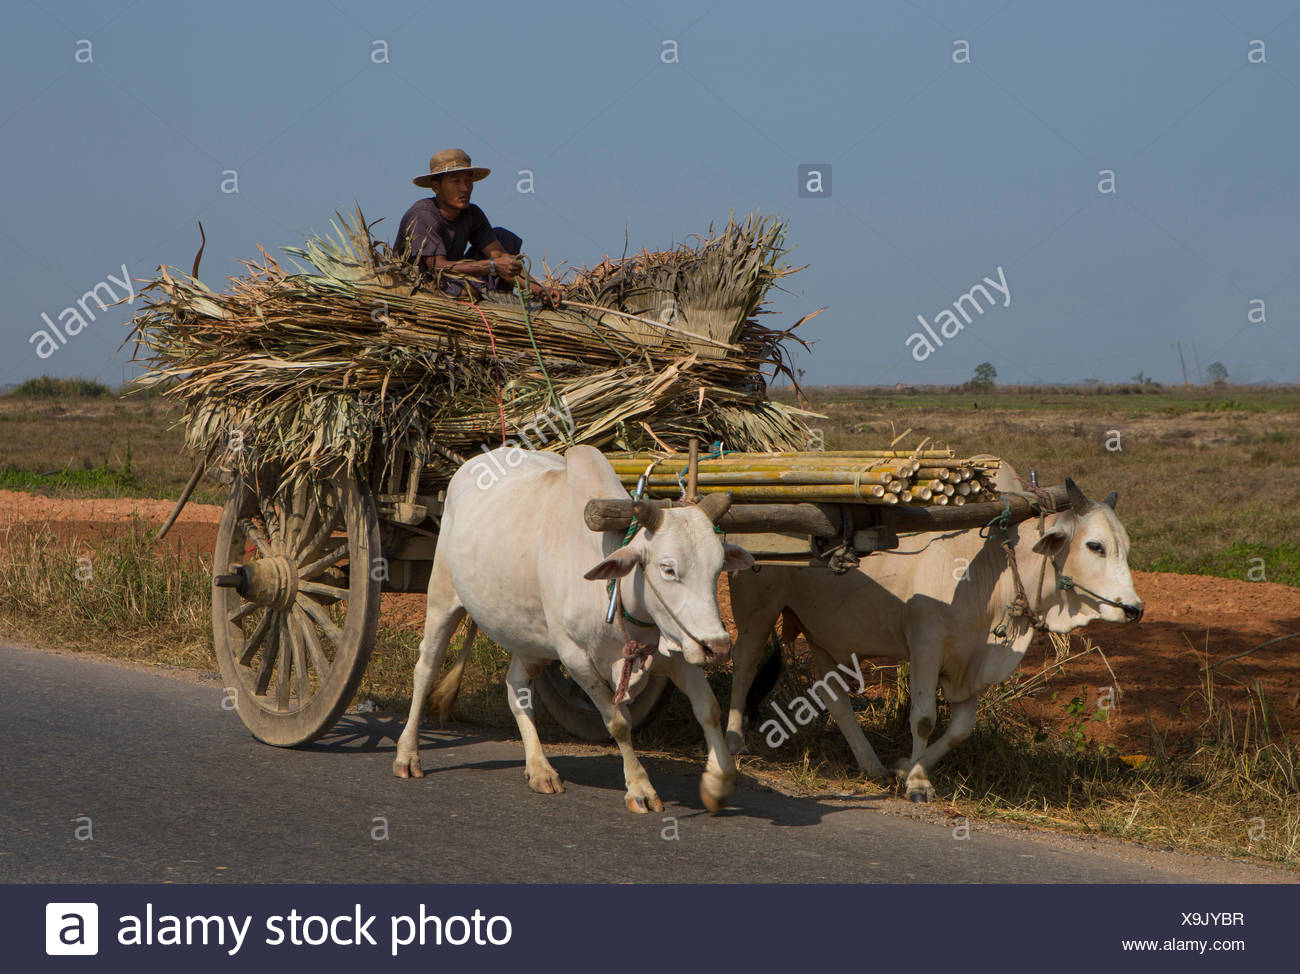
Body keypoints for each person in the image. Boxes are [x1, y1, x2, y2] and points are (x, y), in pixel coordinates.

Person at [395, 148, 562, 307]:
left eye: (468, 181)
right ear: (436, 187)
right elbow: (438, 268)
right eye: (456, 181)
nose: (465, 188)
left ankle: (500, 301)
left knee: (503, 237)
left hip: (457, 277)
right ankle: (485, 302)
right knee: (464, 292)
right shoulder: (423, 215)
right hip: (425, 285)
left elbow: (499, 256)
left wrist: (541, 290)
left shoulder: (471, 213)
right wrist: (492, 265)